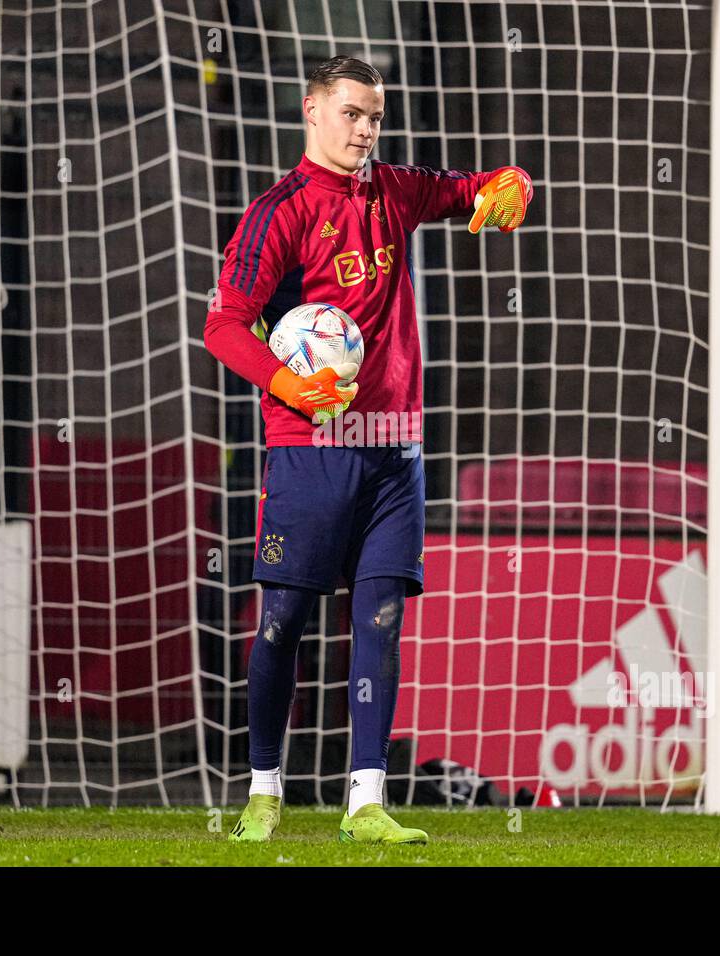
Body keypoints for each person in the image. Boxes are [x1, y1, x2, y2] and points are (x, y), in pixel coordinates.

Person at [203, 55, 532, 844]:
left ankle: (366, 804)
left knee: (380, 618)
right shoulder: (276, 213)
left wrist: (512, 182)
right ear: (311, 110)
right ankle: (264, 789)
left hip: (395, 452)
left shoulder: (394, 189)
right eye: (352, 114)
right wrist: (287, 383)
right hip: (309, 450)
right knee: (283, 618)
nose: (366, 130)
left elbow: (473, 186)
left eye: (376, 117)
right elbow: (223, 326)